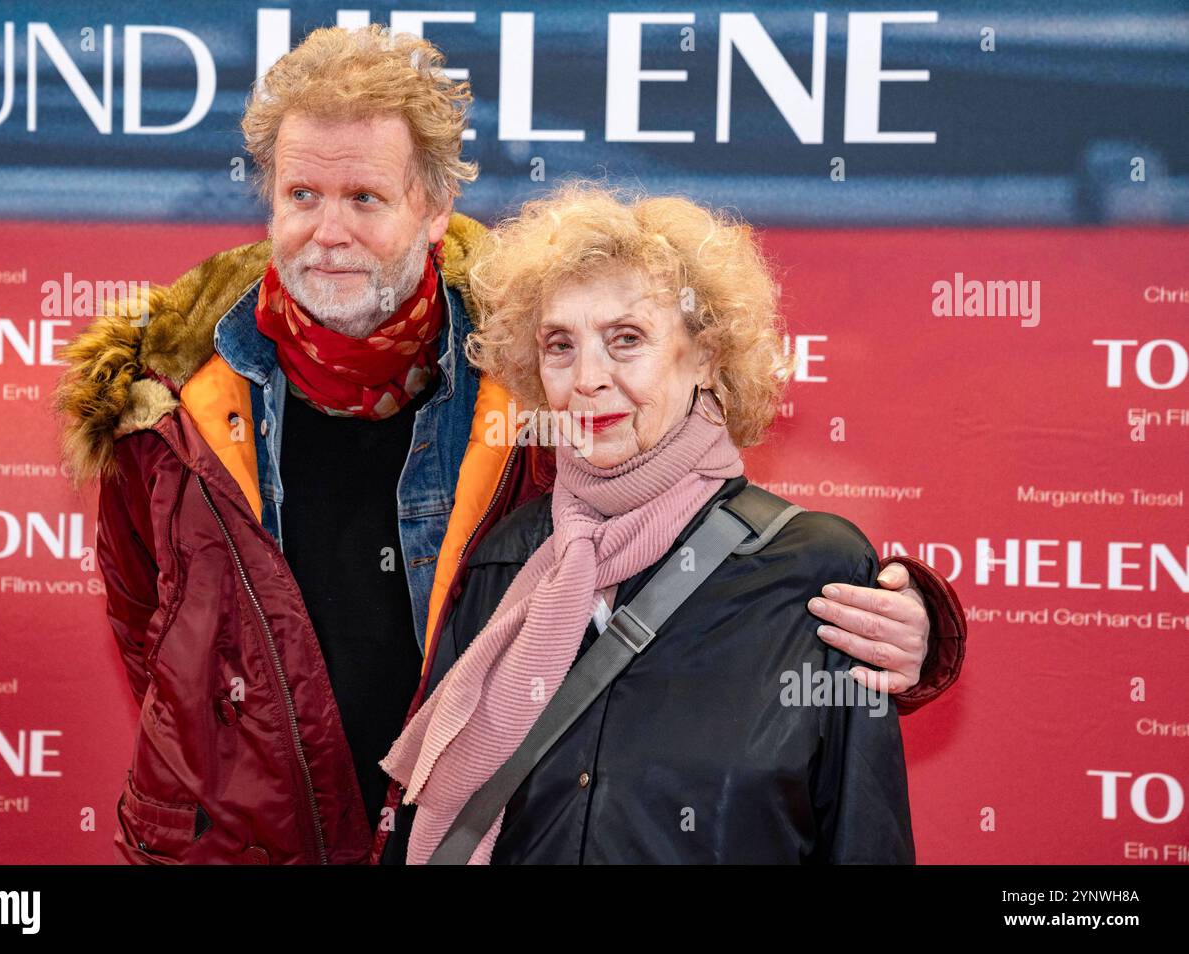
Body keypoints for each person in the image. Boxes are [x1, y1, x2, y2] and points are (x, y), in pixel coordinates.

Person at [54, 25, 963, 865]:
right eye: (301, 195)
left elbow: (701, 557)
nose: (327, 233)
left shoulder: (524, 376)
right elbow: (150, 630)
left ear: (435, 207)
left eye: (366, 196)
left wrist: (914, 631)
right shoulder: (163, 402)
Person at [381, 183, 918, 863]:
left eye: (626, 339)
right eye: (559, 345)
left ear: (705, 355)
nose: (588, 378)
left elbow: (864, 840)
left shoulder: (813, 569)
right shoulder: (507, 559)